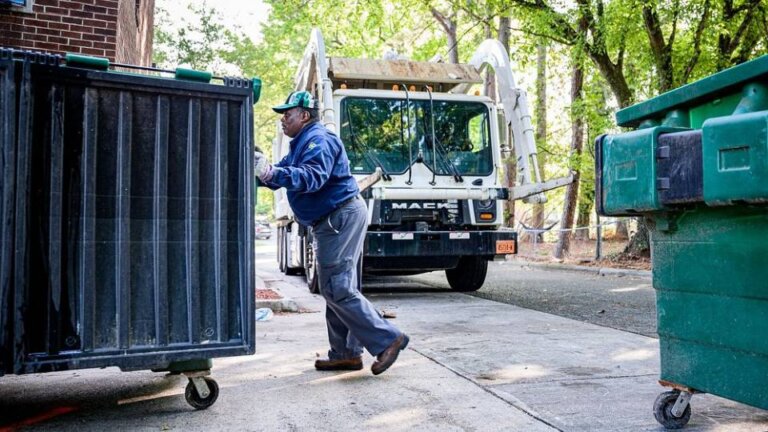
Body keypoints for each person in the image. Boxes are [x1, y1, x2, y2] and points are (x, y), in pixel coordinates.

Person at [254, 90, 409, 375]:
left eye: (288, 114)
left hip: (338, 216)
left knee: (337, 287)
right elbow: (281, 176)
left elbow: (312, 178)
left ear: (305, 114)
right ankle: (346, 353)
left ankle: (389, 338)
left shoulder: (318, 140)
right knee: (338, 286)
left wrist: (271, 173)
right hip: (337, 216)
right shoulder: (301, 144)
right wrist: (262, 171)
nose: (282, 120)